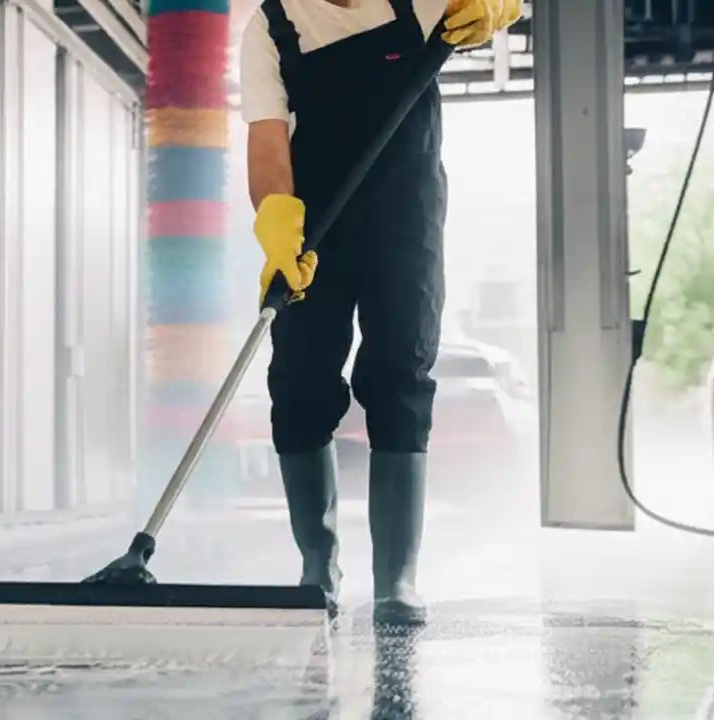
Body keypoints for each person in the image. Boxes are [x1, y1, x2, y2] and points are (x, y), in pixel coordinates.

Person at [239, 0, 520, 625]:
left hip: (406, 219)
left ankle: (396, 578)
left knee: (399, 374)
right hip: (316, 225)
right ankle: (318, 565)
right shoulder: (270, 27)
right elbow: (267, 139)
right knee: (300, 381)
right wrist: (277, 224)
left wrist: (504, 7)